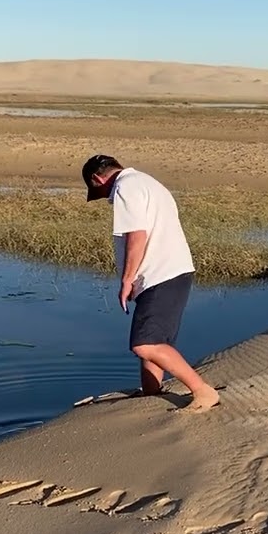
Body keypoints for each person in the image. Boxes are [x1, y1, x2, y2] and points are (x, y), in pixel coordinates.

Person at [82, 153, 221, 411]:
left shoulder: (125, 188)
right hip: (172, 272)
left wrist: (127, 279)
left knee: (144, 344)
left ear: (97, 178)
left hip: (161, 273)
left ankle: (203, 391)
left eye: (101, 193)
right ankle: (151, 393)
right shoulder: (146, 182)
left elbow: (137, 235)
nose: (106, 200)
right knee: (156, 342)